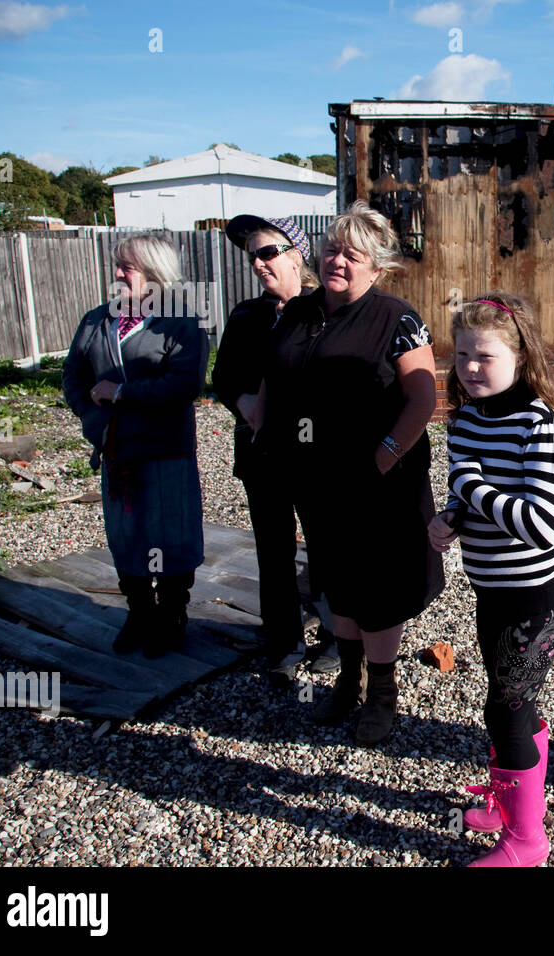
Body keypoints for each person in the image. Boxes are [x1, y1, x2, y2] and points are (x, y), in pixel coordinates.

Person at [265, 200, 444, 747]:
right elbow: (278, 377)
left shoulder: (397, 318)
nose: (338, 260)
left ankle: (382, 694)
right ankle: (349, 678)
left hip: (379, 483)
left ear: (377, 266)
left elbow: (423, 396)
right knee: (336, 581)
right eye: (332, 248)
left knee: (379, 588)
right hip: (318, 480)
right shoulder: (299, 312)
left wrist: (386, 454)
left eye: (352, 253)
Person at [427, 293, 554, 867]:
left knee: (505, 709)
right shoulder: (464, 420)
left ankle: (526, 842)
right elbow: (468, 499)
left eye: (484, 356)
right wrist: (449, 519)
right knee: (512, 701)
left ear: (520, 355)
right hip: (489, 590)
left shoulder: (543, 424)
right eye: (461, 355)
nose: (468, 367)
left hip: (536, 599)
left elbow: (541, 525)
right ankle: (509, 802)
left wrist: (468, 489)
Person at [62, 233, 210, 658]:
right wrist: (94, 418)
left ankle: (171, 614)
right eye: (118, 266)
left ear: (155, 273)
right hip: (116, 451)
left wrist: (122, 393)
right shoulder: (96, 320)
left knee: (169, 534)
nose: (118, 274)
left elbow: (185, 384)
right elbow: (74, 376)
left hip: (165, 449)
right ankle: (140, 611)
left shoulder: (183, 323)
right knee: (126, 534)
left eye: (127, 267)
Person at [214, 215, 335, 685]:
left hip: (313, 455)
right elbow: (223, 377)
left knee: (326, 547)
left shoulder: (324, 311)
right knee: (273, 550)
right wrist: (242, 400)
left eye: (267, 252)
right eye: (253, 256)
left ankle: (334, 636)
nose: (258, 263)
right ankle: (284, 642)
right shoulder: (247, 315)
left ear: (295, 254)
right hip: (262, 455)